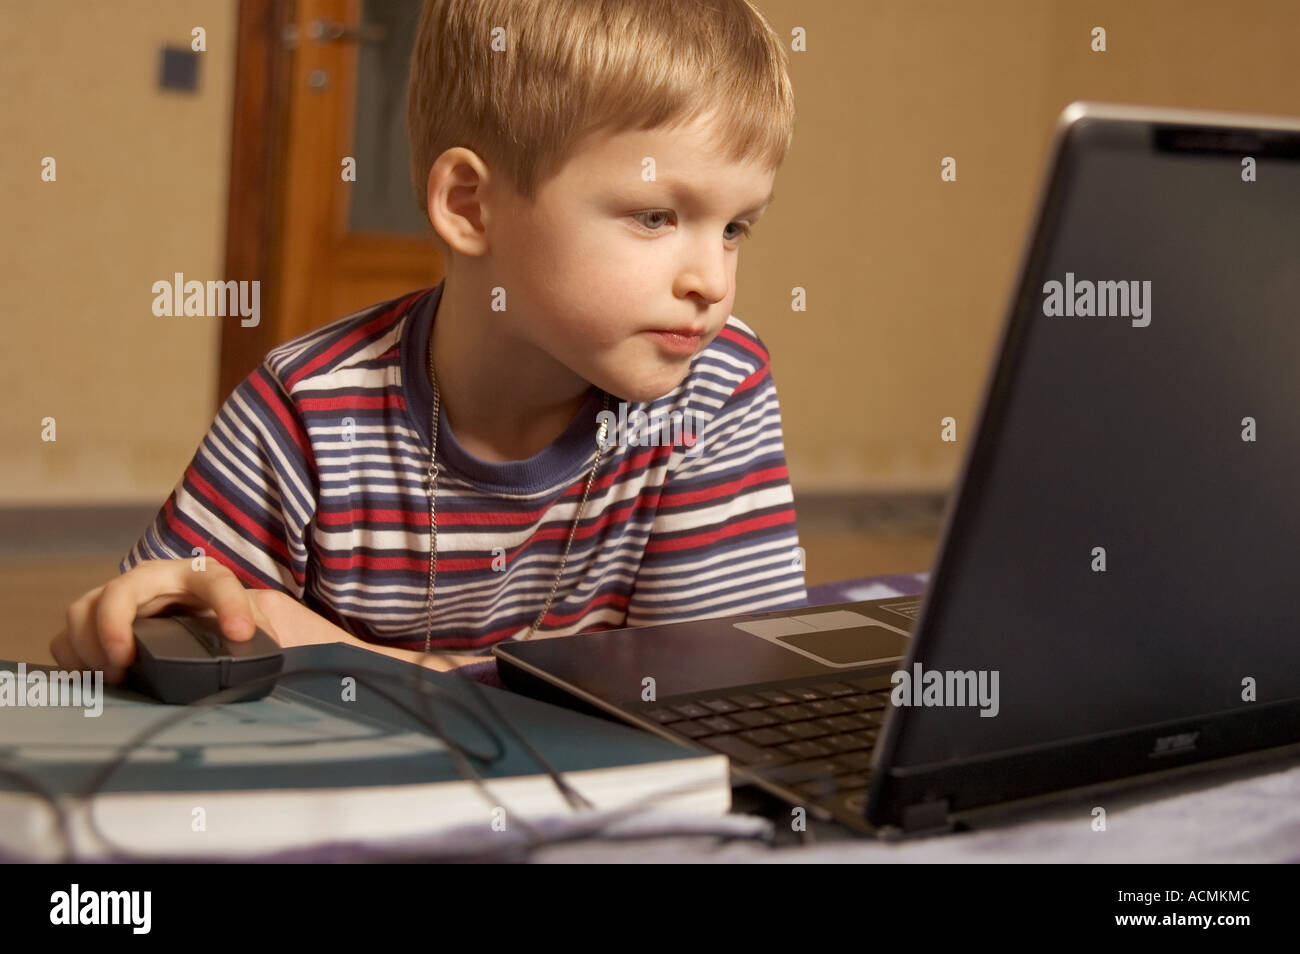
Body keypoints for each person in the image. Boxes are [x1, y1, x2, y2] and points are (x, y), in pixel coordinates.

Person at [51, 0, 805, 679]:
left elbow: (710, 694)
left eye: (736, 227)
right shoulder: (306, 412)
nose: (711, 280)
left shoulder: (715, 384)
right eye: (654, 217)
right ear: (472, 207)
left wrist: (351, 655)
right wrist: (131, 631)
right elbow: (170, 648)